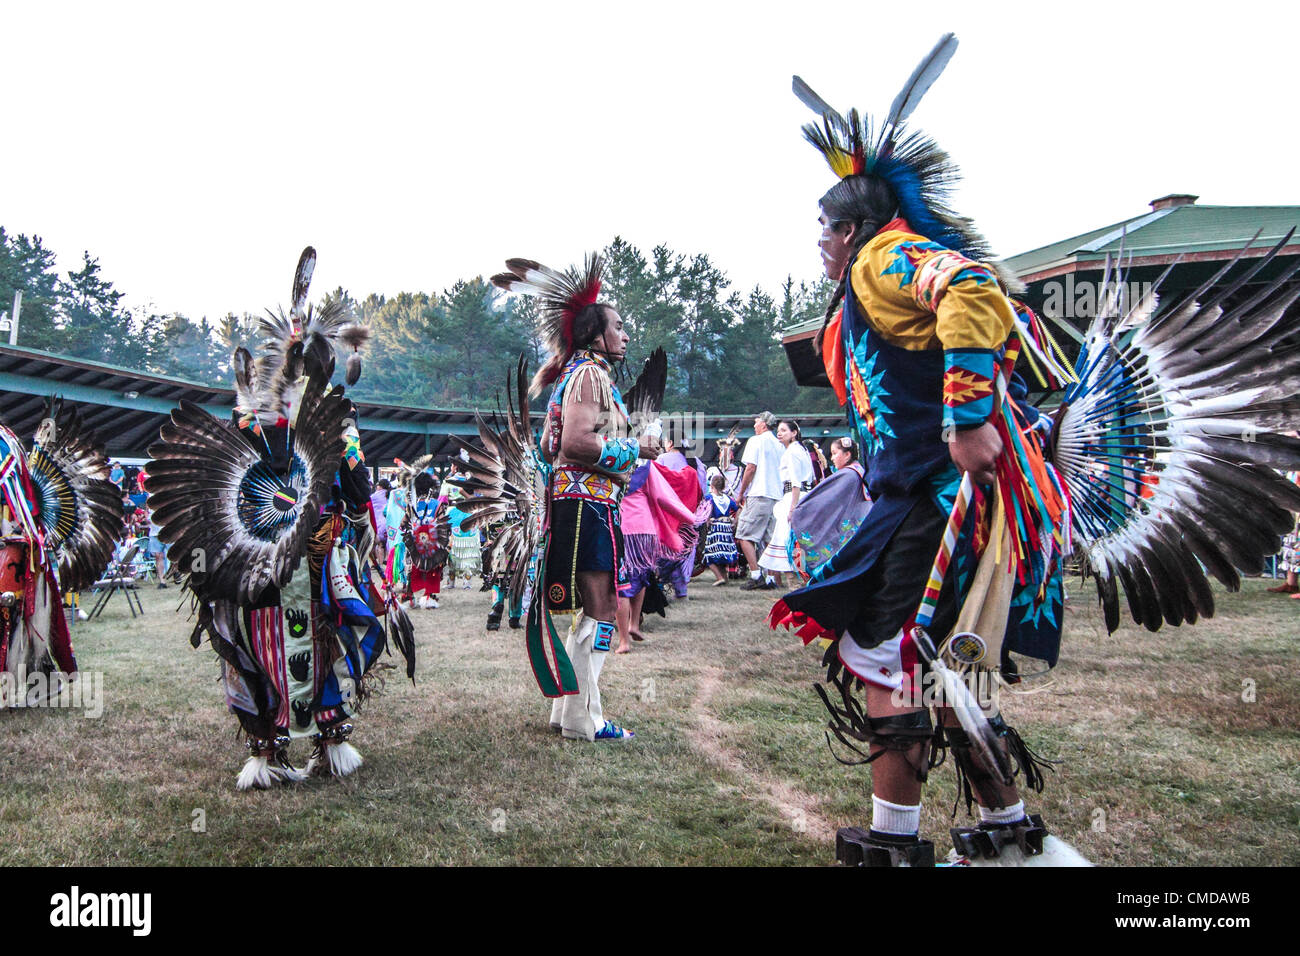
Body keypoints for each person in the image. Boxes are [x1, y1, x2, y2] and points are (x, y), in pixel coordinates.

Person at [144, 247, 413, 788]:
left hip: (252, 561)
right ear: (325, 368)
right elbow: (359, 492)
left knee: (254, 640)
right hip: (312, 559)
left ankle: (266, 752)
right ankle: (330, 743)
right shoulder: (335, 421)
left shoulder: (250, 421)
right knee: (322, 638)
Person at [489, 253, 661, 741]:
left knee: (597, 608)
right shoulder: (589, 375)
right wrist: (636, 448)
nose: (626, 335)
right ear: (596, 335)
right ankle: (588, 718)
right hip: (586, 505)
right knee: (603, 608)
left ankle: (571, 713)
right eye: (620, 327)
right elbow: (575, 444)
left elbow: (550, 444)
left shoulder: (575, 376)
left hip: (583, 503)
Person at [788, 436, 871, 579]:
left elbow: (824, 500)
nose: (832, 458)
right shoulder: (858, 471)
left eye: (835, 453)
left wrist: (800, 511)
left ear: (847, 455)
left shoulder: (848, 475)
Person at [758, 420, 815, 588]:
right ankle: (799, 578)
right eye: (779, 430)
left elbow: (796, 481)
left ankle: (795, 580)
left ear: (794, 433)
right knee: (797, 540)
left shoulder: (792, 452)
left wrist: (792, 508)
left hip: (794, 497)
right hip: (801, 496)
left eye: (784, 430)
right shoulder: (800, 450)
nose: (780, 433)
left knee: (788, 539)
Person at [736, 411, 784, 590]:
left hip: (759, 492)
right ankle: (771, 578)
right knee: (769, 539)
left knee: (744, 535)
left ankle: (756, 575)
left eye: (756, 422)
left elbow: (750, 468)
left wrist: (741, 492)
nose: (754, 425)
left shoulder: (756, 441)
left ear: (763, 424)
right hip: (776, 496)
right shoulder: (780, 445)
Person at [702, 472, 739, 585]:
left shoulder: (709, 497)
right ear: (723, 487)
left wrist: (707, 521)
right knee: (722, 553)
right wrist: (734, 521)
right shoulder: (729, 499)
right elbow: (738, 508)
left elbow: (706, 510)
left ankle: (719, 577)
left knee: (709, 554)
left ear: (711, 486)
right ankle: (724, 578)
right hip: (726, 528)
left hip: (715, 528)